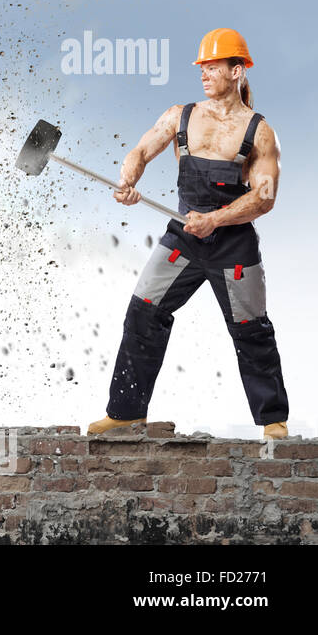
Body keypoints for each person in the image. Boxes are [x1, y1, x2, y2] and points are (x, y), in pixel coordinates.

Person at [87, 28, 289, 439]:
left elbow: (265, 198)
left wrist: (215, 220)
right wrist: (128, 179)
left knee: (251, 329)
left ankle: (273, 421)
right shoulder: (180, 116)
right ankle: (126, 413)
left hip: (234, 243)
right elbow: (140, 151)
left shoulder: (260, 132)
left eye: (213, 66)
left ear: (237, 71)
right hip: (183, 237)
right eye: (202, 67)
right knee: (144, 310)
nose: (204, 73)